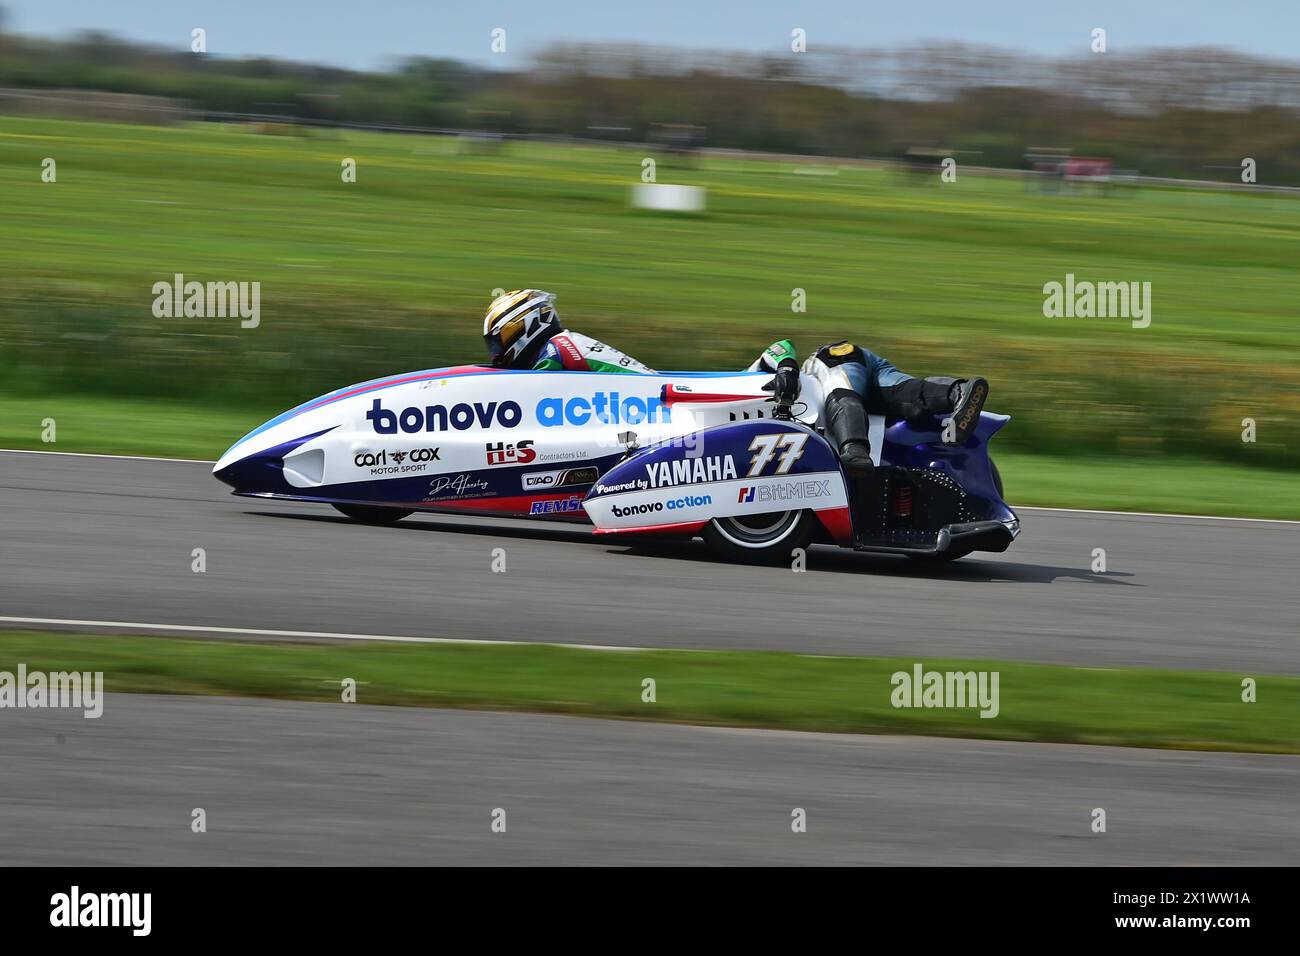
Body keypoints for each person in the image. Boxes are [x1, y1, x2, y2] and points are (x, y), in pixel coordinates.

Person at [483, 291, 987, 475]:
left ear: (529, 323)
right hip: (851, 360)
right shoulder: (565, 347)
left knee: (843, 388)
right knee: (898, 393)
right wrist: (782, 363)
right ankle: (953, 402)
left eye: (502, 336)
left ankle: (855, 455)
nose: (499, 350)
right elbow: (778, 350)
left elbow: (534, 394)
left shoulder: (556, 347)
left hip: (828, 367)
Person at [752, 339, 988, 474]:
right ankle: (960, 392)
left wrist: (786, 366)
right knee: (908, 398)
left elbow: (781, 346)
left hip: (830, 361)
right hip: (863, 368)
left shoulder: (733, 382)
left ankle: (854, 450)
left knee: (840, 393)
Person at [483, 289, 655, 373]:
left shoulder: (554, 352)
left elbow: (530, 394)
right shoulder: (562, 342)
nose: (496, 355)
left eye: (498, 344)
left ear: (525, 326)